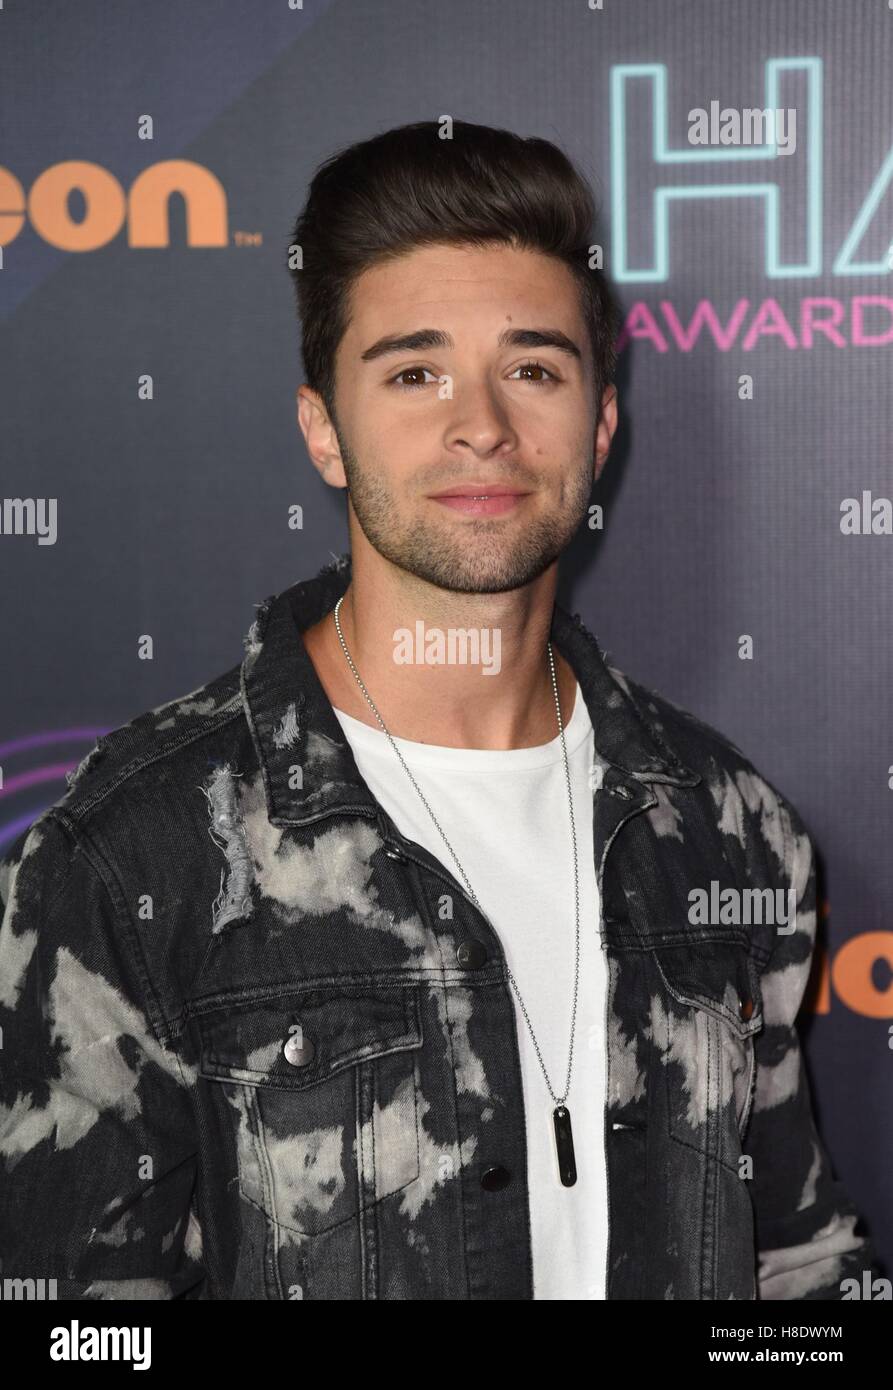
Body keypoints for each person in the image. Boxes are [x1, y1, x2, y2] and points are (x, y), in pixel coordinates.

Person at [0, 120, 877, 1300]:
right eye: (414, 372)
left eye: (532, 367)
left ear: (600, 424)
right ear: (323, 429)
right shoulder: (136, 847)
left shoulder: (728, 827)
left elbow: (793, 1267)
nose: (481, 424)